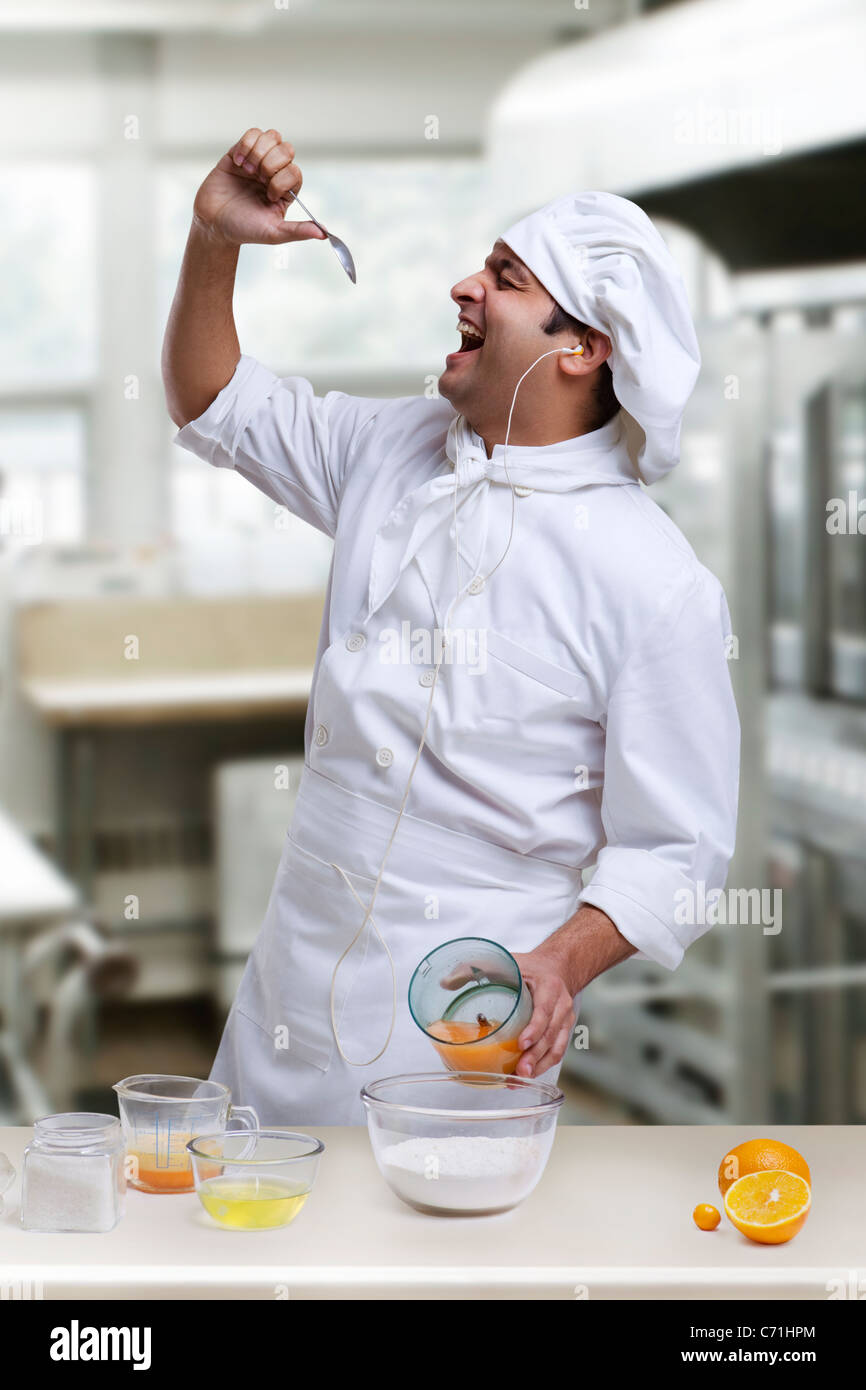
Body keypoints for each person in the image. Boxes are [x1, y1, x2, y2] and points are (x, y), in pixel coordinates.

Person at [162, 127, 740, 1125]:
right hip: (286, 988)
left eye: (504, 277)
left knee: (415, 1261)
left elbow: (677, 852)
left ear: (581, 349)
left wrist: (561, 962)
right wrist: (214, 240)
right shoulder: (396, 446)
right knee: (243, 1245)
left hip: (461, 1015)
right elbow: (214, 399)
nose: (462, 287)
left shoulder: (651, 580)